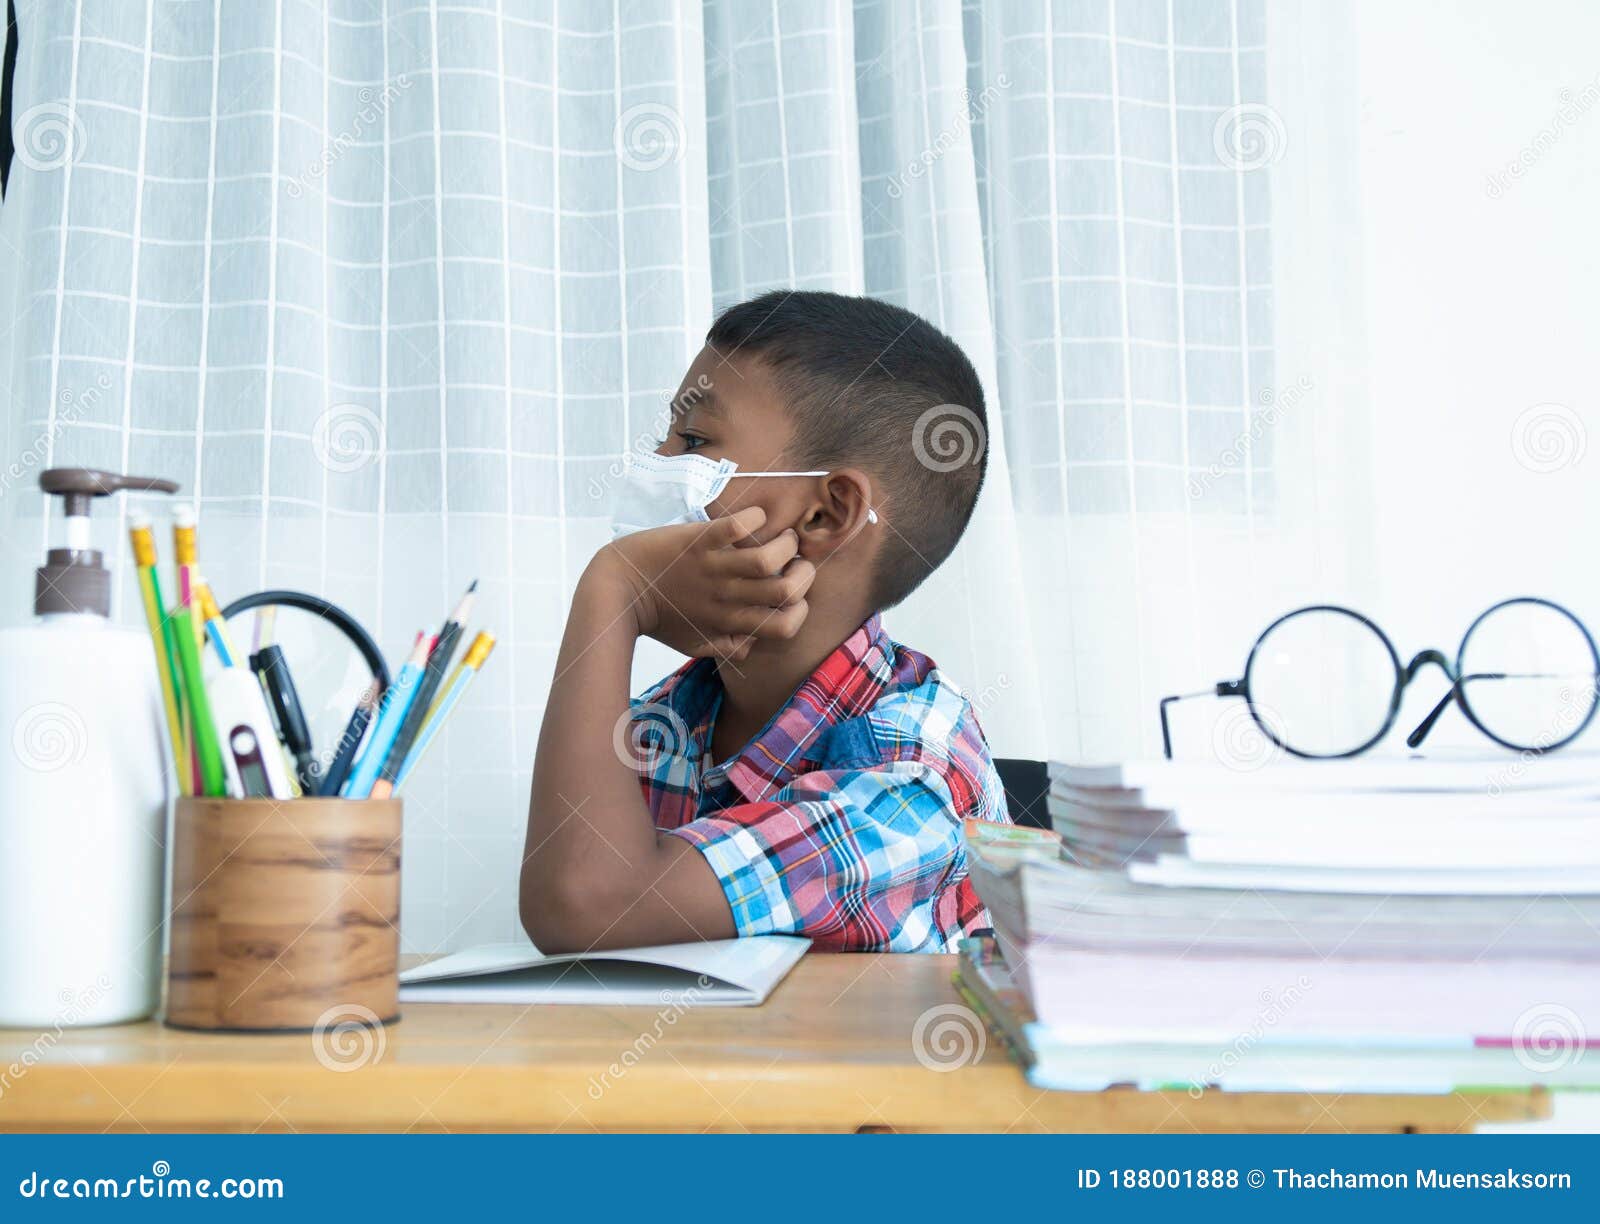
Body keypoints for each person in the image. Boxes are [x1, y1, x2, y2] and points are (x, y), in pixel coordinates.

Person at [520, 290, 1011, 954]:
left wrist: (613, 591)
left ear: (825, 515)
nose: (657, 465)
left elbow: (584, 907)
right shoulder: (662, 726)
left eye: (693, 440)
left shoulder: (918, 775)